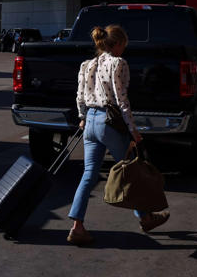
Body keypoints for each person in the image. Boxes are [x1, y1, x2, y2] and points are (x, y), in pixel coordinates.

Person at [67, 24, 170, 245]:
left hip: (90, 121)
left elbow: (80, 96)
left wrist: (82, 117)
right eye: (124, 45)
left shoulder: (87, 64)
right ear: (117, 44)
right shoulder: (118, 63)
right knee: (131, 170)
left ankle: (77, 226)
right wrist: (134, 130)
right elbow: (122, 100)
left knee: (88, 175)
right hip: (109, 122)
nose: (124, 49)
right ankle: (146, 218)